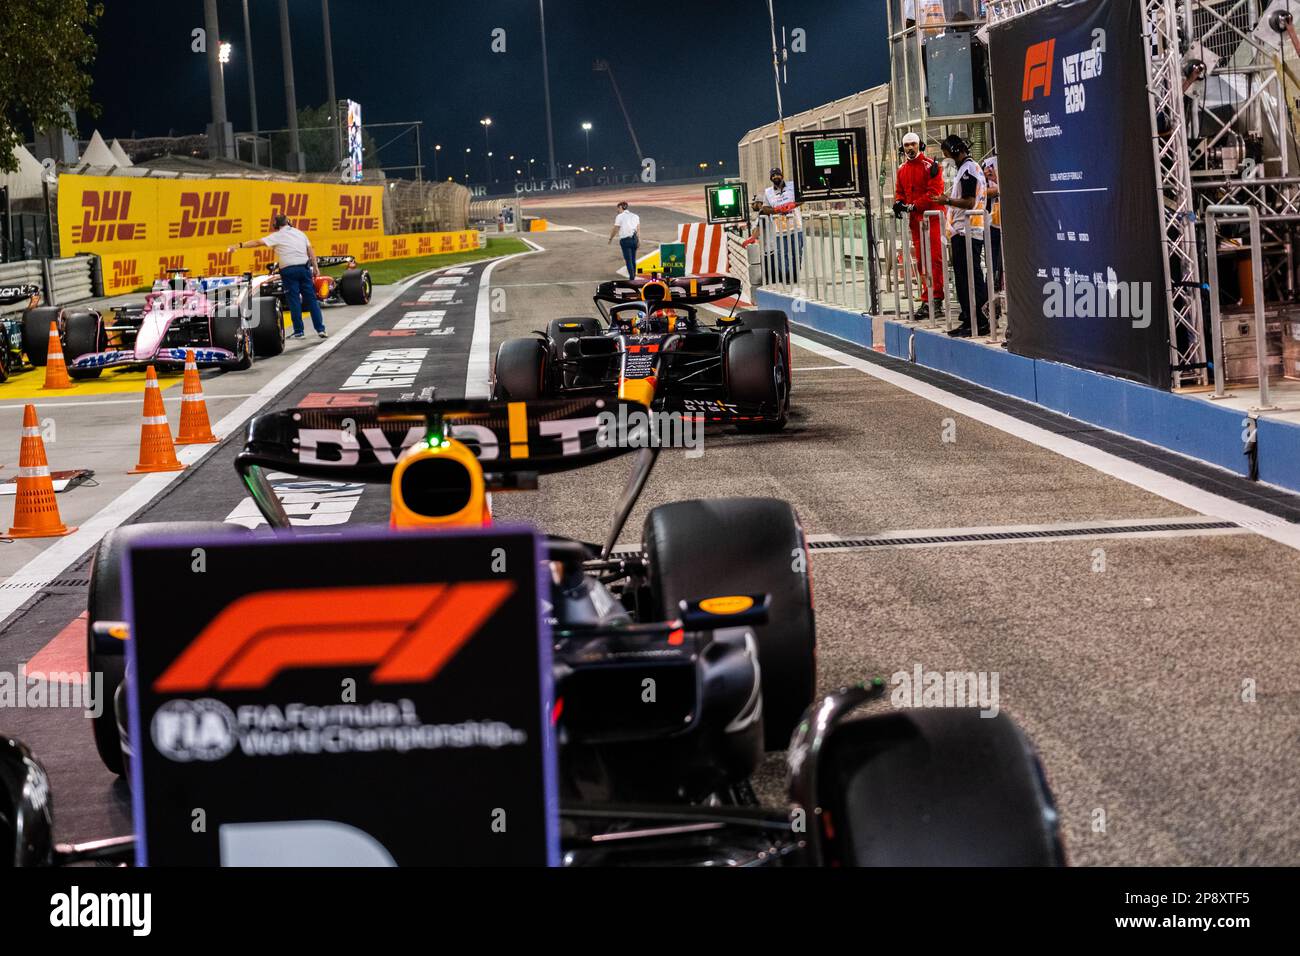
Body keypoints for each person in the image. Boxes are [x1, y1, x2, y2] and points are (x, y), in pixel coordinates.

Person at [228, 214, 326, 339]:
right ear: (288, 222)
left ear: (276, 225)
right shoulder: (300, 233)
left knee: (294, 300)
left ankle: (299, 331)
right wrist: (316, 267)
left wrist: (239, 245)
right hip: (304, 268)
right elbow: (310, 250)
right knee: (311, 300)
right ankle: (321, 329)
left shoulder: (277, 236)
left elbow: (257, 242)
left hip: (289, 271)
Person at [933, 134, 988, 337]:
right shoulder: (970, 167)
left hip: (967, 230)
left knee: (968, 278)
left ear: (955, 151)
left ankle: (979, 320)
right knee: (966, 277)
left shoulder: (968, 169)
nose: (947, 158)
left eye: (947, 154)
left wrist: (946, 201)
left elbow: (968, 201)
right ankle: (971, 317)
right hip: (966, 229)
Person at [894, 131, 946, 319]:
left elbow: (935, 192)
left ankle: (935, 299)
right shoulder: (902, 169)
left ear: (920, 145)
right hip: (915, 221)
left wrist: (914, 206)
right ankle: (927, 297)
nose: (910, 148)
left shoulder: (931, 166)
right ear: (902, 148)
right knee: (922, 261)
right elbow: (900, 191)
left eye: (913, 144)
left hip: (932, 219)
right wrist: (899, 203)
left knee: (934, 259)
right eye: (906, 145)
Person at [758, 167, 803, 284]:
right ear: (770, 178)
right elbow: (765, 208)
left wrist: (791, 205)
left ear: (782, 175)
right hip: (779, 229)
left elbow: (803, 198)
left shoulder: (792, 186)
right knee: (781, 254)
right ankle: (787, 276)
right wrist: (777, 210)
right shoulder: (768, 192)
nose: (775, 177)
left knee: (796, 251)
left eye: (777, 174)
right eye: (773, 176)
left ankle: (796, 274)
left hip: (796, 227)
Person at [981, 150, 1002, 292]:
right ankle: (991, 285)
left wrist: (997, 183)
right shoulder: (987, 163)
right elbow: (980, 191)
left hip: (1015, 219)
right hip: (993, 219)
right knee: (993, 255)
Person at [608, 201, 641, 277]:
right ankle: (633, 275)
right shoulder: (635, 216)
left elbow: (616, 228)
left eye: (618, 209)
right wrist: (639, 240)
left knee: (628, 260)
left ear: (620, 207)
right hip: (634, 239)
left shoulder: (620, 216)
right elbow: (638, 229)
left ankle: (632, 278)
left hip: (626, 240)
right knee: (633, 258)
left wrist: (611, 238)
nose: (617, 211)